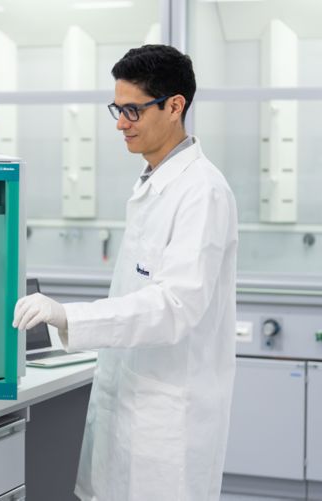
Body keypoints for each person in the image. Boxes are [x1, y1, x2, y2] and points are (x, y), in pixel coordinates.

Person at [13, 45, 238, 501]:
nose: (120, 123)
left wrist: (69, 317)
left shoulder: (202, 192)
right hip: (128, 400)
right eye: (118, 109)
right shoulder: (152, 182)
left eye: (132, 110)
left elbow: (175, 307)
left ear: (175, 106)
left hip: (168, 420)